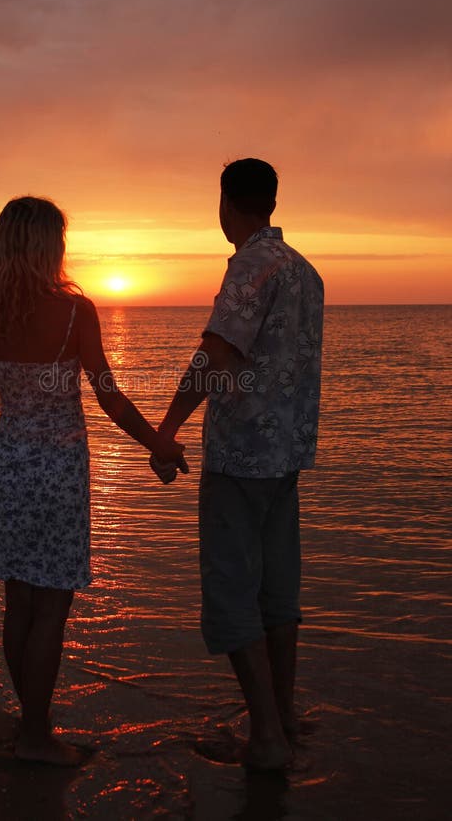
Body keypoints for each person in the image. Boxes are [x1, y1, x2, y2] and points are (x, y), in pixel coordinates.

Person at [0, 196, 187, 765]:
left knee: (19, 603)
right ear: (49, 247)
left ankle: (30, 724)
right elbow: (108, 396)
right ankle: (35, 738)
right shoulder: (74, 313)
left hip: (7, 468)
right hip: (59, 472)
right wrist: (158, 444)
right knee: (52, 608)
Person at [151, 158, 323, 770]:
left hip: (242, 456)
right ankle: (283, 718)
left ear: (226, 202)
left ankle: (268, 739)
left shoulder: (251, 266)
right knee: (277, 592)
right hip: (285, 458)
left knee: (232, 593)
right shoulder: (305, 271)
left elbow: (217, 352)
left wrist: (167, 429)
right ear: (271, 201)